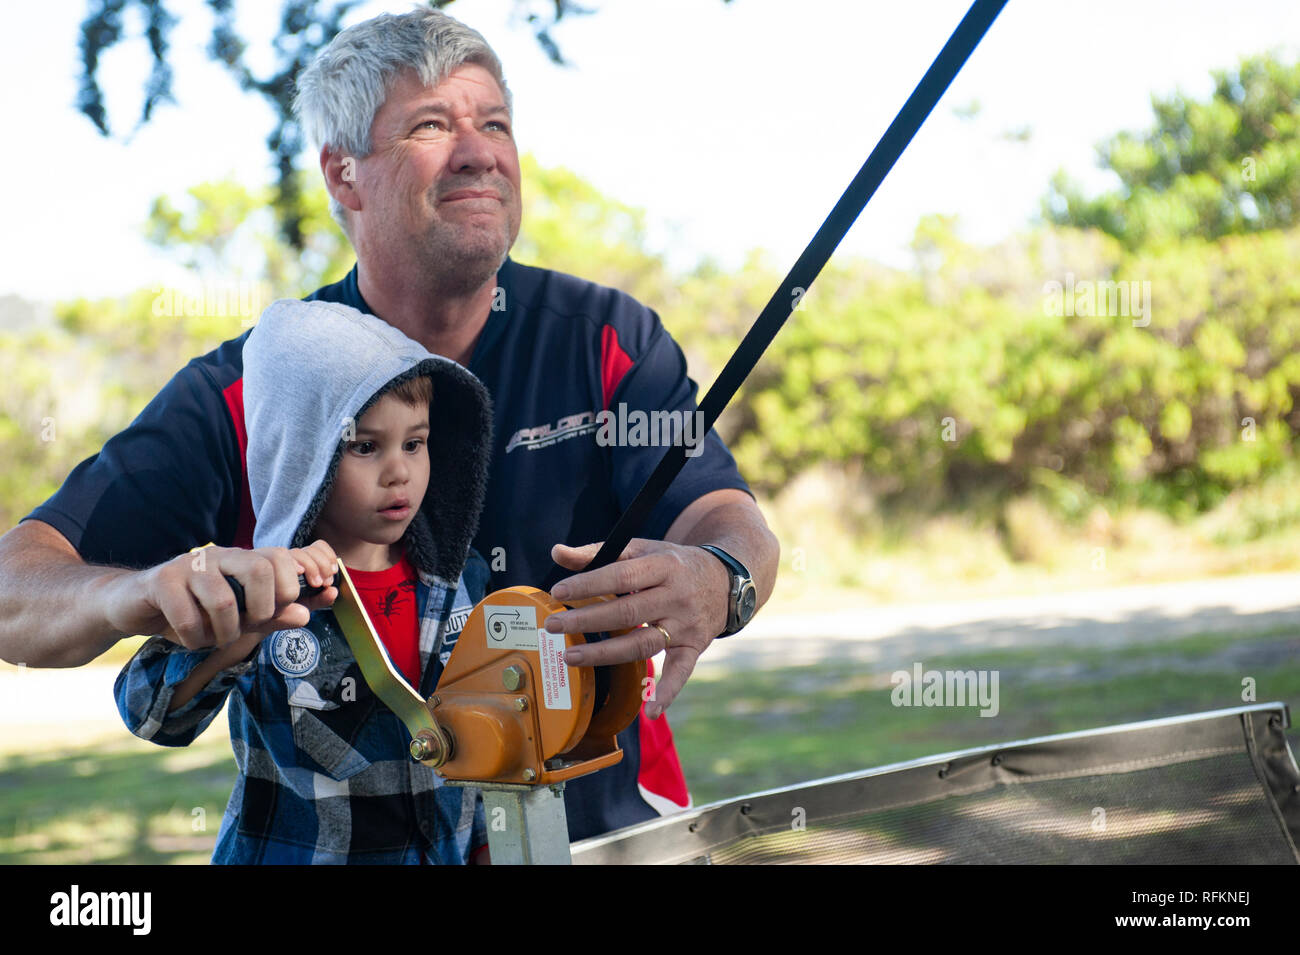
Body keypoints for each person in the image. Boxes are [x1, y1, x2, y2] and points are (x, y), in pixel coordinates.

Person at [0, 8, 779, 842]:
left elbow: (728, 519)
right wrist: (136, 592)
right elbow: (17, 587)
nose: (479, 150)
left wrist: (718, 579)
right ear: (342, 174)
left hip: (609, 840)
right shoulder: (262, 380)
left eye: (495, 123)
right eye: (433, 125)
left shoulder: (605, 336)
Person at [115, 298, 494, 863]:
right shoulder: (259, 589)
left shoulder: (464, 580)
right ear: (301, 457)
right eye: (366, 446)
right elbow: (150, 712)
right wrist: (244, 627)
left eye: (415, 443)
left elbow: (484, 745)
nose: (400, 471)